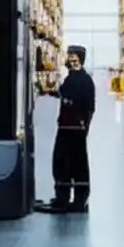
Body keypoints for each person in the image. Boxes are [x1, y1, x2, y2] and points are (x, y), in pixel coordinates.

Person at [35, 45, 95, 214]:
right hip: (75, 127)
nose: (68, 60)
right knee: (77, 163)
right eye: (69, 56)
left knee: (63, 162)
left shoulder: (79, 79)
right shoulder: (78, 78)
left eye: (71, 57)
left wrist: (47, 89)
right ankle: (76, 199)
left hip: (71, 127)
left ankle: (65, 199)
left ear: (78, 59)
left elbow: (71, 98)